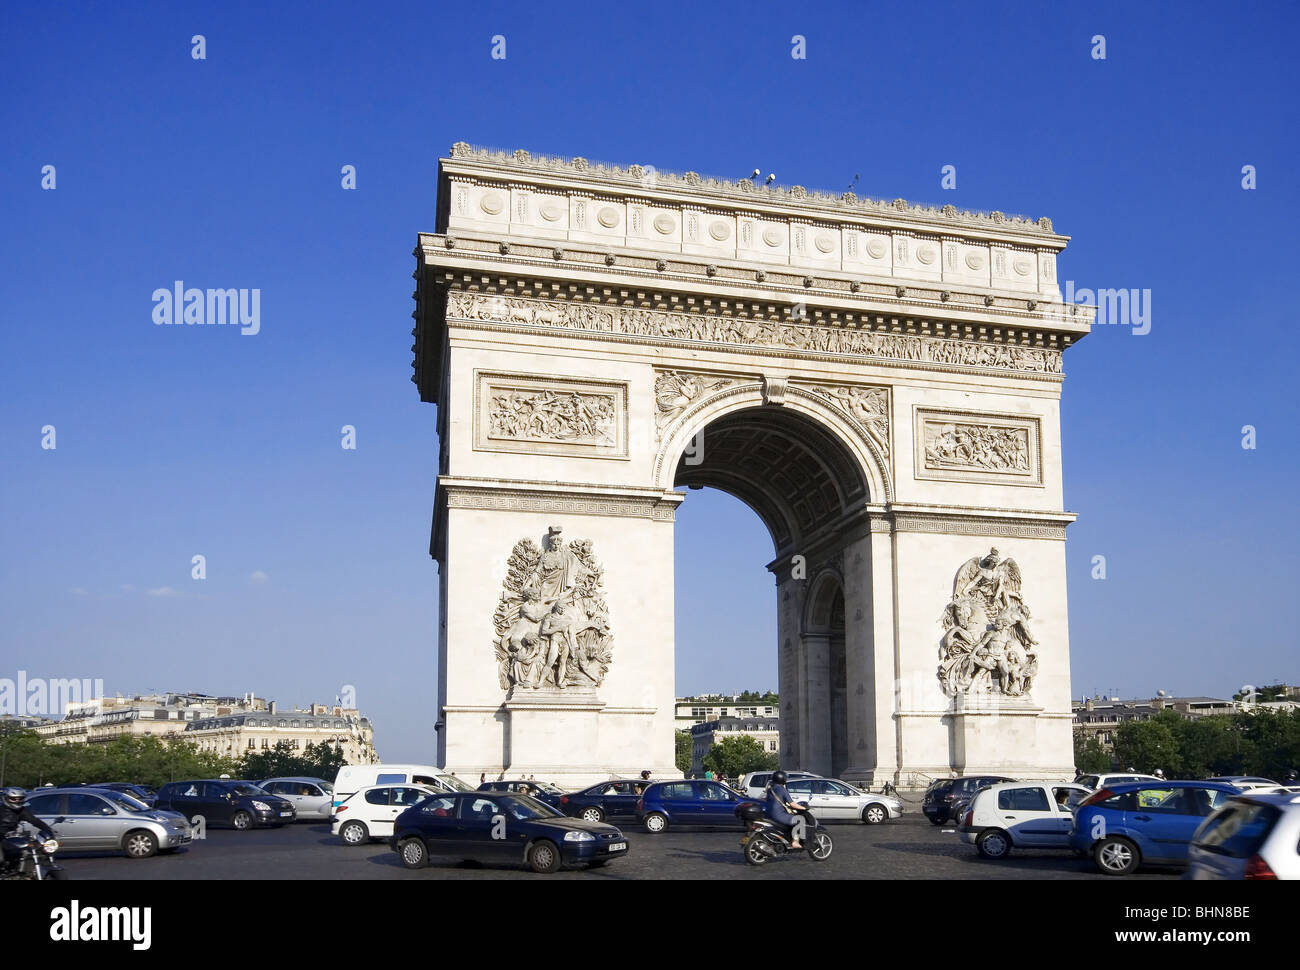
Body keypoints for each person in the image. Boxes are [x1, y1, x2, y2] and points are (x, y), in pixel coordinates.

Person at [1, 788, 55, 871]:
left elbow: (34, 820)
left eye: (20, 799)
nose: (17, 801)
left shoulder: (22, 810)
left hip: (11, 837)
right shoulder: (1, 809)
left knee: (26, 850)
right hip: (1, 837)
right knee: (1, 859)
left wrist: (47, 829)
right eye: (13, 799)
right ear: (6, 798)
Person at [764, 770, 803, 849]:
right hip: (778, 815)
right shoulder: (782, 789)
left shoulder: (770, 789)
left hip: (768, 814)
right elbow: (792, 804)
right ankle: (795, 842)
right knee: (800, 819)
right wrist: (803, 808)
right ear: (782, 779)